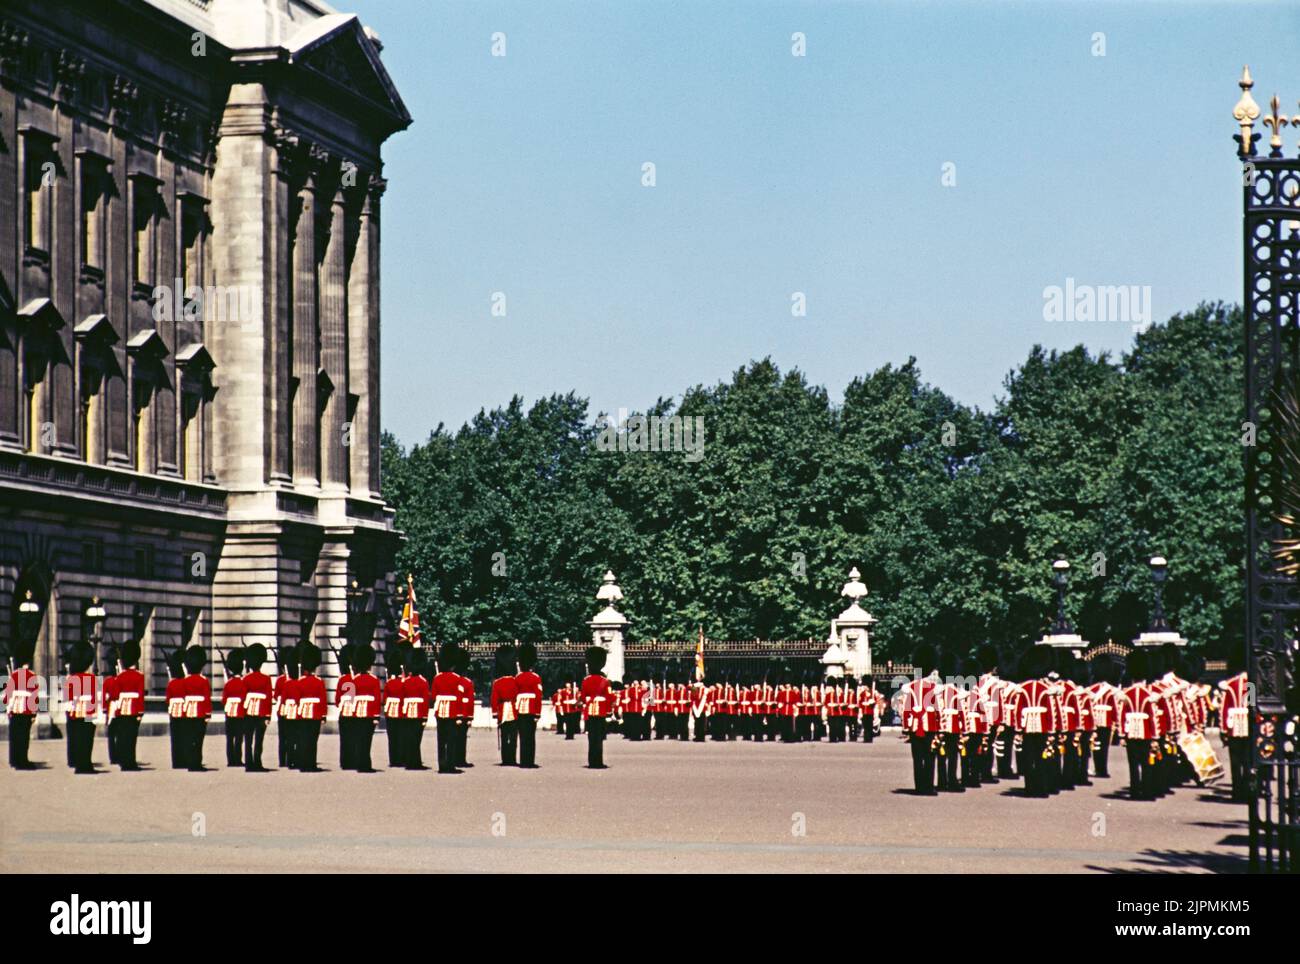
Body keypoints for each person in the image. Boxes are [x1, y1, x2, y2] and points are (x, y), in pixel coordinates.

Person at [898, 645, 939, 794]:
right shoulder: (935, 688)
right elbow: (937, 710)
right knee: (929, 757)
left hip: (915, 726)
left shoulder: (908, 687)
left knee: (917, 758)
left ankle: (919, 786)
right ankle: (928, 786)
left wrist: (906, 727)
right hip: (930, 726)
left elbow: (906, 709)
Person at [1218, 655, 1251, 802]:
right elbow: (1253, 706)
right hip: (1248, 725)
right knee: (1248, 760)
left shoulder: (1230, 684)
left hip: (1233, 726)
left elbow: (1224, 709)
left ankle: (1237, 791)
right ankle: (1248, 789)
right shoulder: (1252, 685)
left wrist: (1223, 729)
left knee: (1235, 760)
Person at [110, 640, 146, 771]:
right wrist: (140, 713)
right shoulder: (139, 676)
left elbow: (114, 695)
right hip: (134, 710)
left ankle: (123, 761)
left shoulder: (120, 677)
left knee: (122, 736)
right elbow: (140, 695)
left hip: (121, 710)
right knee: (131, 738)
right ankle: (130, 762)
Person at [5, 636, 39, 769]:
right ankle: (22, 760)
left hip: (14, 709)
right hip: (26, 710)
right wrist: (34, 713)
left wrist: (7, 709)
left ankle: (14, 760)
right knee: (24, 737)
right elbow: (34, 696)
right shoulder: (32, 675)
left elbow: (8, 694)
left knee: (14, 736)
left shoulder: (13, 675)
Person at [64, 641, 98, 774]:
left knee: (76, 738)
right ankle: (85, 764)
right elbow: (93, 699)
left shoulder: (70, 679)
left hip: (74, 712)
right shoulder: (91, 679)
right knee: (87, 739)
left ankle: (77, 762)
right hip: (88, 713)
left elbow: (68, 699)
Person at [349, 643, 382, 772]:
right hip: (368, 713)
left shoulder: (353, 680)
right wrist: (376, 716)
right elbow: (376, 699)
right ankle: (365, 764)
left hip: (357, 713)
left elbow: (350, 699)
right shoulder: (374, 680)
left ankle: (359, 763)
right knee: (367, 740)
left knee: (358, 739)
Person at [431, 644, 463, 773]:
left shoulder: (437, 678)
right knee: (451, 740)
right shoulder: (457, 678)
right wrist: (460, 716)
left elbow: (433, 696)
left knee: (441, 739)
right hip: (452, 711)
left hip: (440, 711)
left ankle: (442, 764)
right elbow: (459, 698)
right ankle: (450, 765)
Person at [241, 643, 273, 771]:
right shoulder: (266, 679)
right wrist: (268, 715)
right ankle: (257, 763)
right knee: (259, 740)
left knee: (248, 739)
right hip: (261, 712)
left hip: (248, 712)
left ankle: (249, 764)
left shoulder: (245, 679)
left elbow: (243, 698)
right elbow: (268, 698)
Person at [296, 641, 327, 772]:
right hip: (315, 713)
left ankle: (303, 763)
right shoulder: (319, 682)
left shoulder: (300, 681)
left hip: (303, 712)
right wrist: (323, 715)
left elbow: (297, 699)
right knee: (312, 740)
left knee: (303, 738)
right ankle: (311, 764)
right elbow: (322, 700)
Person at [181, 645, 212, 772]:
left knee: (189, 738)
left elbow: (183, 698)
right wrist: (208, 714)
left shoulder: (185, 681)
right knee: (198, 740)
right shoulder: (204, 681)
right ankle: (196, 762)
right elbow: (206, 698)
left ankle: (190, 762)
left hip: (188, 712)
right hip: (199, 713)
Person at [515, 642, 544, 767]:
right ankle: (529, 761)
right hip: (532, 709)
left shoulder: (518, 678)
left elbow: (514, 695)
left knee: (522, 736)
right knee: (530, 737)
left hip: (520, 709)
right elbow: (538, 696)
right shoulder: (535, 677)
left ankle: (523, 761)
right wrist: (538, 713)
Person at [582, 646, 611, 768]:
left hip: (590, 711)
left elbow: (583, 697)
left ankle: (591, 761)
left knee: (591, 738)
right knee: (599, 738)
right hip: (601, 711)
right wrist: (609, 711)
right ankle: (598, 761)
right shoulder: (605, 681)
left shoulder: (586, 680)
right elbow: (608, 697)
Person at [491, 645, 520, 765]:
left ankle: (505, 759)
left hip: (502, 710)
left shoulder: (497, 683)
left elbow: (494, 698)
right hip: (514, 709)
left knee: (504, 736)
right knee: (513, 736)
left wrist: (494, 712)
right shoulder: (516, 681)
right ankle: (512, 758)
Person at [403, 648, 432, 769]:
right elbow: (425, 701)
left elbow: (403, 698)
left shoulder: (406, 681)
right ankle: (415, 762)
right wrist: (425, 717)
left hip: (408, 712)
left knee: (409, 737)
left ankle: (410, 761)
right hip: (419, 712)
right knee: (416, 738)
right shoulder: (423, 682)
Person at [274, 645, 299, 770]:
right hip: (294, 711)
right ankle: (292, 759)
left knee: (282, 736)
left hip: (282, 710)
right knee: (293, 736)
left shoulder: (280, 680)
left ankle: (282, 760)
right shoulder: (296, 680)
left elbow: (276, 696)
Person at [221, 647, 246, 768]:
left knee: (230, 738)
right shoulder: (243, 682)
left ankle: (230, 760)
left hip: (229, 712)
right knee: (239, 737)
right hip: (240, 712)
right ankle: (238, 759)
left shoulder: (229, 683)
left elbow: (224, 700)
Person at [383, 646, 407, 768]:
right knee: (401, 736)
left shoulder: (389, 683)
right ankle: (401, 758)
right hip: (401, 711)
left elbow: (385, 699)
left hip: (390, 712)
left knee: (392, 737)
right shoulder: (403, 683)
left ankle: (394, 759)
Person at [164, 647, 186, 769]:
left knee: (175, 738)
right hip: (183, 711)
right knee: (185, 736)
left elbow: (168, 699)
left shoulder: (172, 683)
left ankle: (176, 761)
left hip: (173, 712)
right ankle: (185, 759)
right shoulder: (185, 682)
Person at [336, 643, 355, 770]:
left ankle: (345, 762)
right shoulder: (356, 679)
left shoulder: (342, 680)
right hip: (355, 712)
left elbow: (337, 700)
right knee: (355, 738)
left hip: (344, 713)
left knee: (345, 739)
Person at [455, 646, 474, 768]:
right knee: (461, 738)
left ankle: (454, 758)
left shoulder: (453, 680)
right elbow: (469, 701)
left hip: (452, 713)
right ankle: (460, 759)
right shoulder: (467, 682)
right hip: (464, 713)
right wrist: (469, 717)